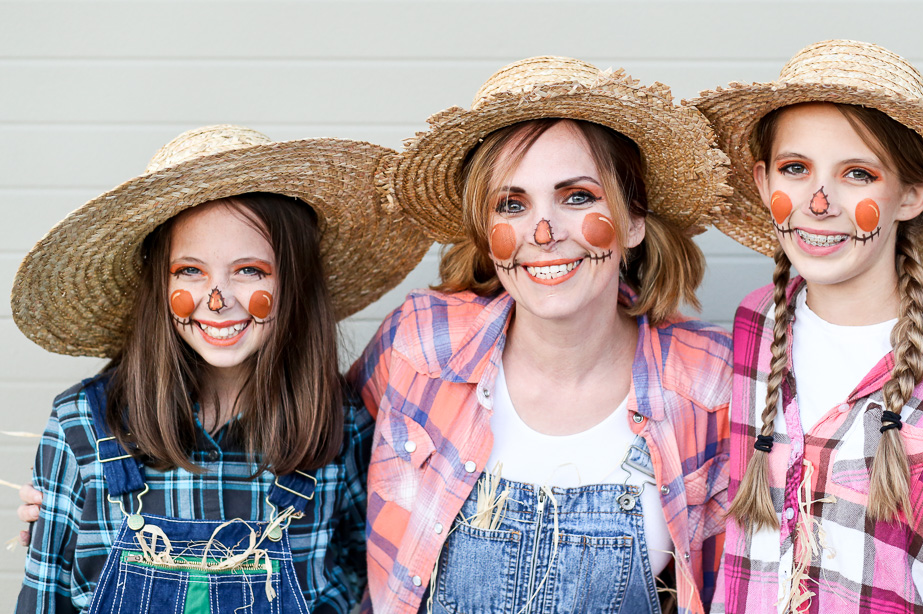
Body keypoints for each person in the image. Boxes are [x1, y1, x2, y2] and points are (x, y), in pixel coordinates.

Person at [353, 56, 734, 613]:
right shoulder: (419, 342)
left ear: (633, 221)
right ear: (486, 235)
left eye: (577, 196)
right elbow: (325, 462)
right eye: (512, 204)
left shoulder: (708, 380)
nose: (544, 231)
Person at [11, 125, 430, 613]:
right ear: (158, 285)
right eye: (190, 270)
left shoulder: (342, 428)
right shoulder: (81, 426)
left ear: (293, 284)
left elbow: (371, 579)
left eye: (248, 270)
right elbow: (44, 597)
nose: (216, 300)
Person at [690, 40, 923, 612]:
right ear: (761, 179)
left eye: (857, 173)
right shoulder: (757, 324)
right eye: (795, 169)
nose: (819, 202)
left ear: (912, 195)